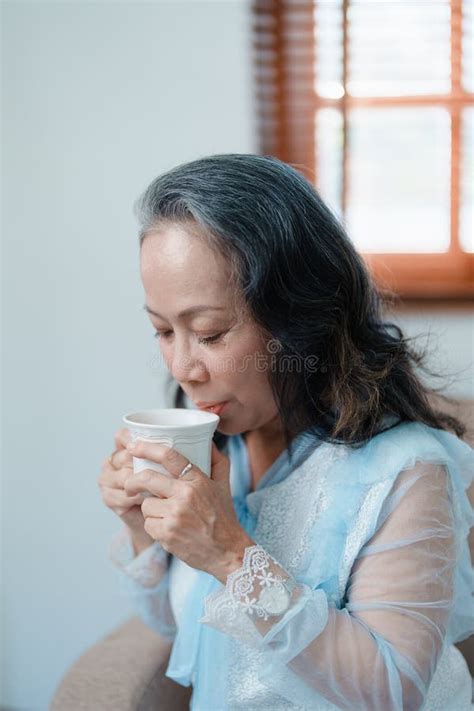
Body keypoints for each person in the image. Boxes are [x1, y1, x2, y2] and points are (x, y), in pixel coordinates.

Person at [98, 154, 474, 710]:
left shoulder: (404, 472)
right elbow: (185, 634)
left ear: (302, 317)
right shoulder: (221, 443)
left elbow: (395, 691)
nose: (182, 367)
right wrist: (145, 533)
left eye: (211, 332)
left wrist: (230, 555)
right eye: (162, 330)